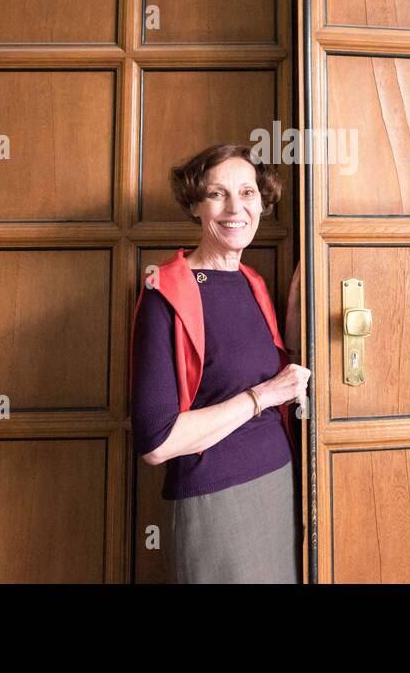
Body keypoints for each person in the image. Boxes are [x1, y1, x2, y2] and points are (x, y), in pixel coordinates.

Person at [130, 143, 310, 583]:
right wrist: (261, 397)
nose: (236, 208)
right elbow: (157, 442)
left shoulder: (252, 282)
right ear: (195, 205)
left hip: (278, 484)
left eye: (248, 193)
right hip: (215, 501)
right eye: (217, 194)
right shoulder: (165, 293)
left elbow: (264, 364)